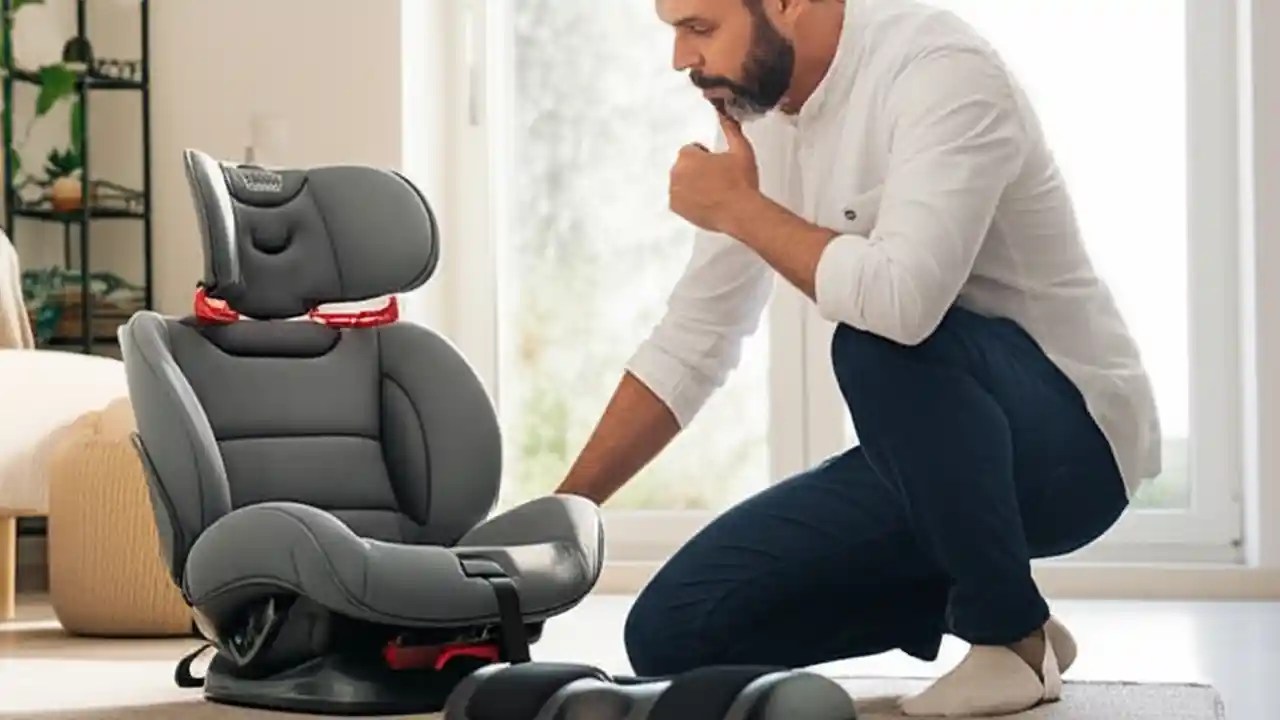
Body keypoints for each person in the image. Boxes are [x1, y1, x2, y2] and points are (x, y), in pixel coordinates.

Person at [553, 0, 1162, 715]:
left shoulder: (941, 73)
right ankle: (1004, 603)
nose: (681, 60)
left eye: (699, 27)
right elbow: (696, 338)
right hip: (937, 462)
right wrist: (562, 517)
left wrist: (741, 211)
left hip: (1071, 448)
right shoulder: (764, 125)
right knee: (674, 633)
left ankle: (1010, 637)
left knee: (875, 337)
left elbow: (905, 303)